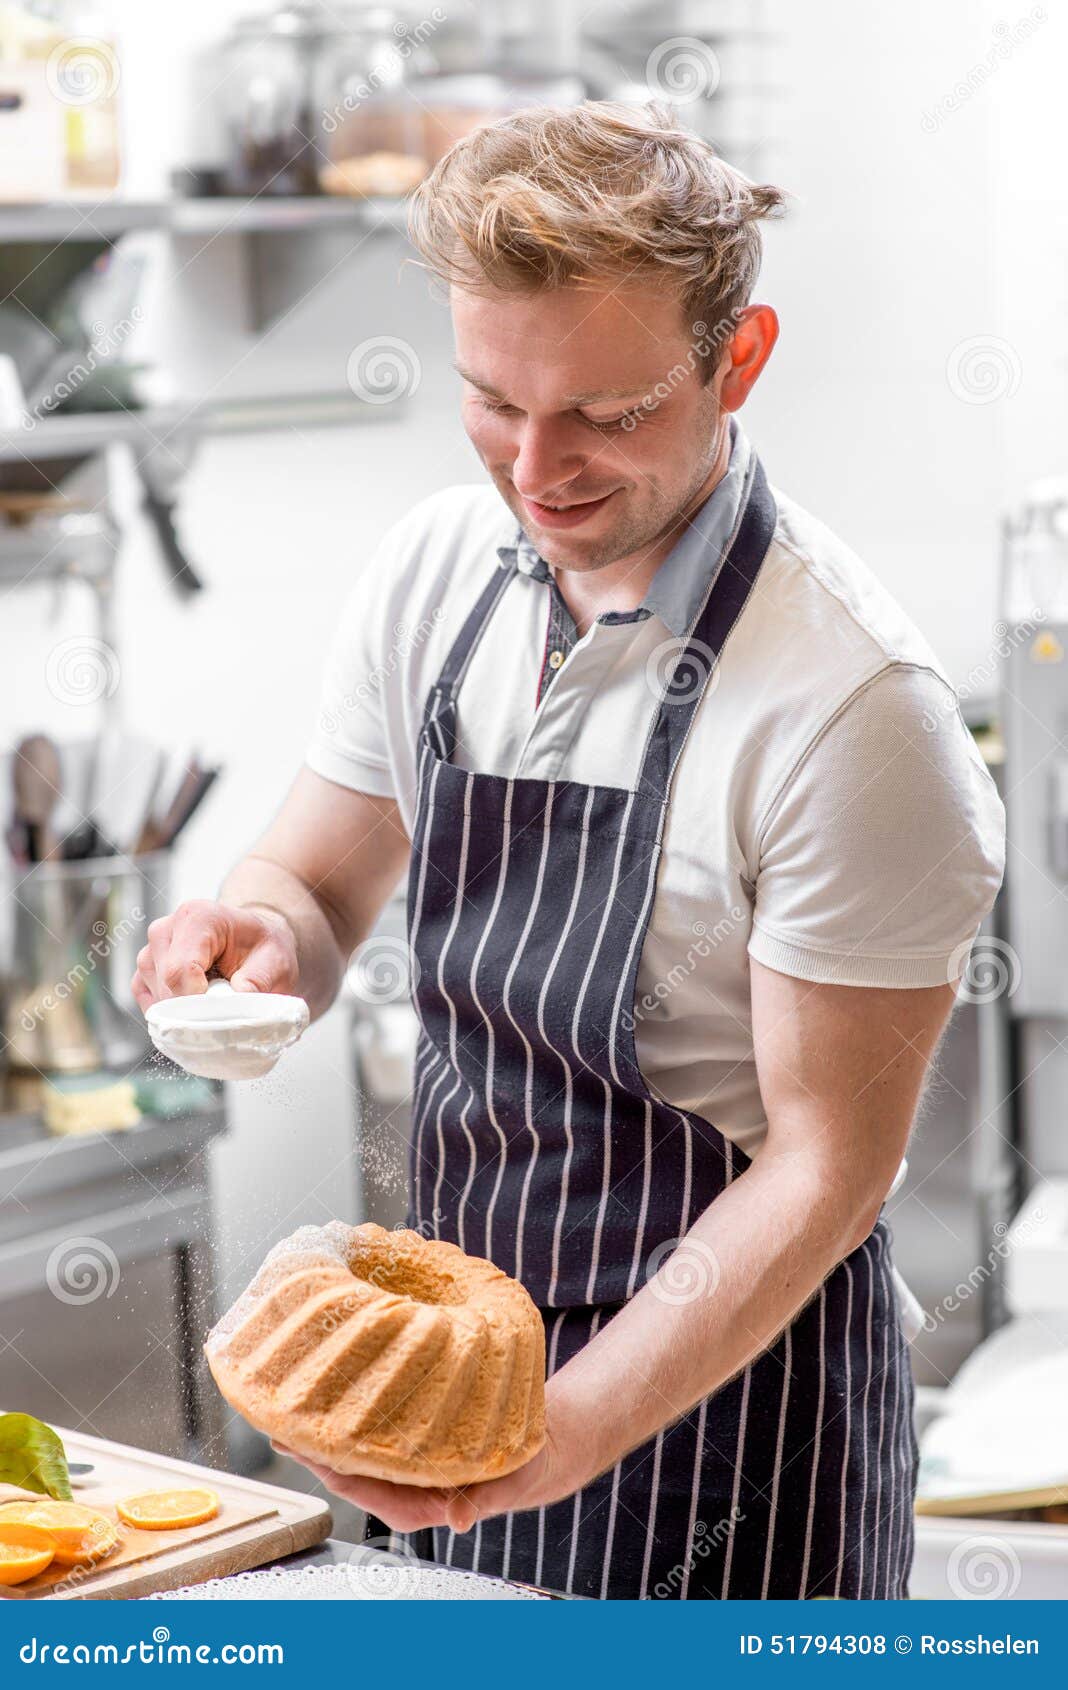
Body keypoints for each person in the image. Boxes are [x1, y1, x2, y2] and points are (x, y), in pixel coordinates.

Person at [133, 101, 1005, 1599]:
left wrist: (563, 1430)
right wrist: (263, 935)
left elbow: (826, 1171)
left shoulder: (854, 710)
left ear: (738, 358)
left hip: (743, 1449)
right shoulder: (433, 577)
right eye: (490, 402)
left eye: (608, 413)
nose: (538, 472)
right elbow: (320, 882)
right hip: (449, 1405)